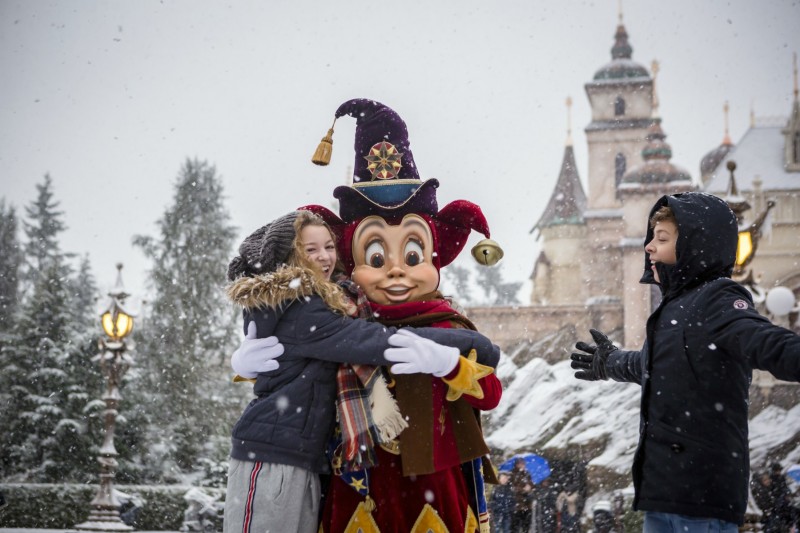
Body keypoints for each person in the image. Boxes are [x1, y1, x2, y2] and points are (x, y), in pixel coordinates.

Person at [222, 209, 501, 533]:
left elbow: (490, 395)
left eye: (413, 256)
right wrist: (244, 364)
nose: (396, 270)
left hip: (435, 493)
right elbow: (303, 362)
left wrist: (451, 366)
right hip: (352, 487)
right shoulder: (339, 314)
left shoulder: (440, 321)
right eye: (376, 257)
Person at [570, 191, 800, 533]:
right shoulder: (673, 309)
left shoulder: (718, 299)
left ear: (696, 246)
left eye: (661, 238)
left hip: (702, 495)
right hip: (663, 492)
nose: (649, 246)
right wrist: (610, 362)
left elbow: (765, 342)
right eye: (652, 237)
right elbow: (652, 365)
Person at [510, 458, 534, 533]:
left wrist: (530, 487)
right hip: (516, 506)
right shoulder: (512, 474)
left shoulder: (527, 474)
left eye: (523, 464)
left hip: (527, 505)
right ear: (516, 464)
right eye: (520, 464)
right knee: (515, 528)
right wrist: (524, 489)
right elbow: (512, 488)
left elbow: (532, 485)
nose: (522, 465)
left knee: (526, 527)